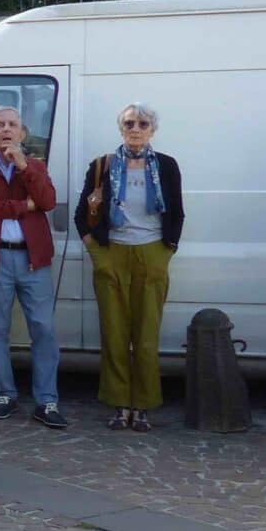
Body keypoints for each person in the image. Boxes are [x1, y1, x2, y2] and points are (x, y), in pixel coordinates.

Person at [76, 103, 185, 432]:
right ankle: (120, 405)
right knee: (114, 334)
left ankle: (143, 406)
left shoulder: (166, 165)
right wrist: (98, 253)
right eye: (129, 123)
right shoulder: (103, 166)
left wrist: (166, 251)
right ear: (121, 128)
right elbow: (82, 215)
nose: (135, 129)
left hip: (151, 252)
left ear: (153, 129)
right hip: (113, 251)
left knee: (146, 336)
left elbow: (177, 213)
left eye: (142, 123)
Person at [0, 106, 64, 428]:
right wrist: (23, 206)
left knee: (44, 328)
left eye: (12, 125)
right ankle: (4, 394)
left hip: (33, 259)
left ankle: (46, 400)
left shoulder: (35, 166)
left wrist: (23, 166)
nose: (6, 130)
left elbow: (47, 201)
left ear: (22, 133)